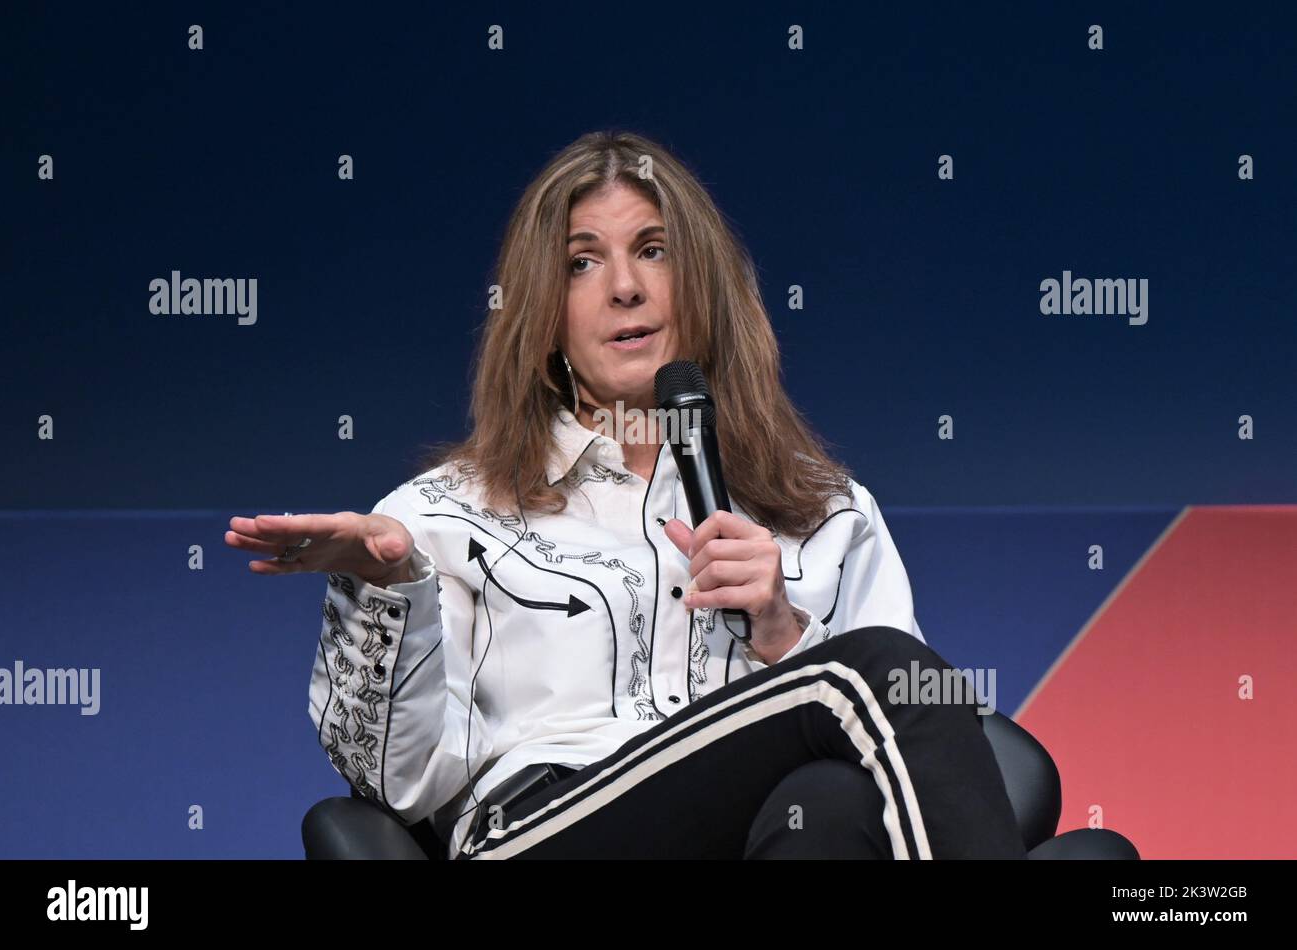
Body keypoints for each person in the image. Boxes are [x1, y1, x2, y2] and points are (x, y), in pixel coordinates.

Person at [225, 130, 1025, 860]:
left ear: (704, 286)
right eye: (582, 263)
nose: (625, 288)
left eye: (653, 250)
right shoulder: (442, 516)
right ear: (543, 317)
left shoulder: (827, 511)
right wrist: (387, 589)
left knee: (831, 806)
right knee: (872, 672)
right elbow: (393, 786)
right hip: (538, 832)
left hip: (747, 836)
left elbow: (929, 753)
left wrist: (784, 636)